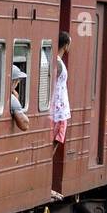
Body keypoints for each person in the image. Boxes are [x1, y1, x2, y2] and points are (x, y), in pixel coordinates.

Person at [50, 32, 70, 200]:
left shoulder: (57, 61)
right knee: (53, 146)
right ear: (66, 45)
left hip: (59, 109)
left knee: (54, 145)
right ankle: (46, 184)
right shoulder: (57, 62)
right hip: (58, 111)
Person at [9, 64, 30, 131]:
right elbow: (24, 125)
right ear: (13, 82)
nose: (18, 83)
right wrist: (16, 100)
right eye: (17, 80)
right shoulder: (11, 99)